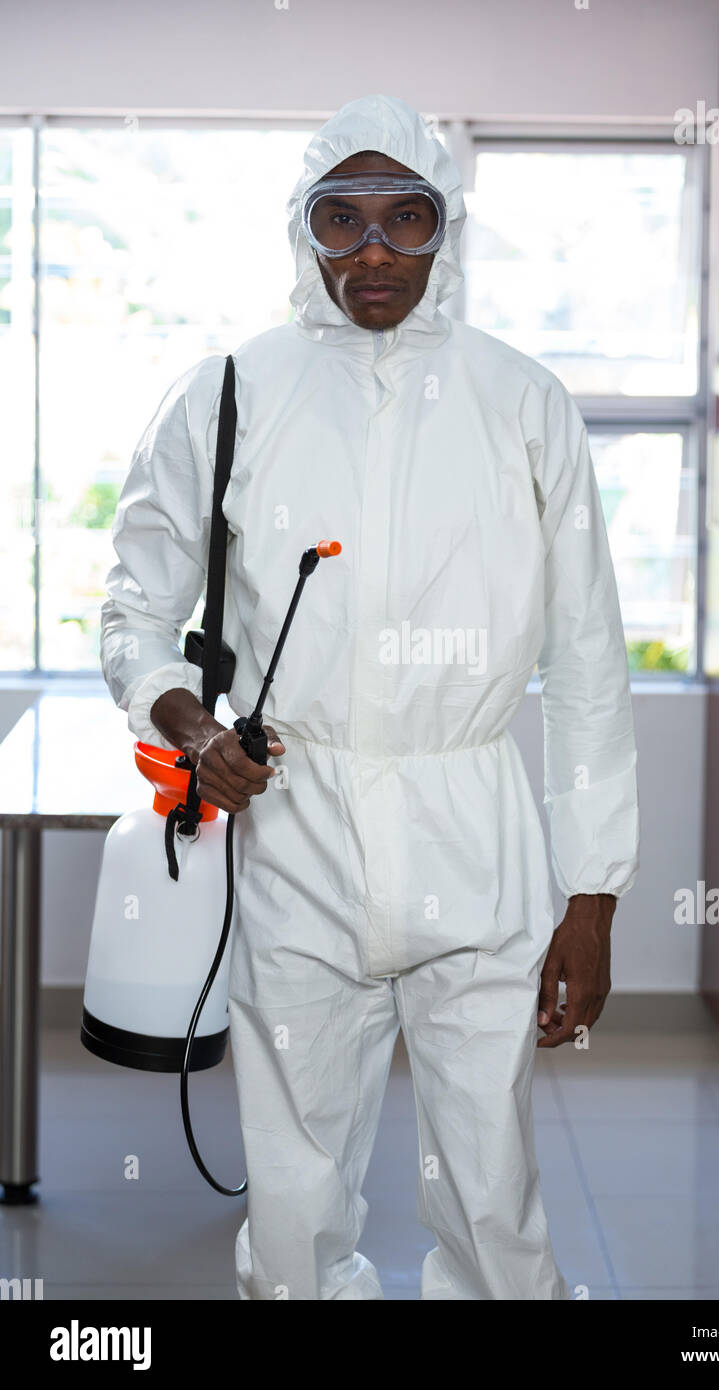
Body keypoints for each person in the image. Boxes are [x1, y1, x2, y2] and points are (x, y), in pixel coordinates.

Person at [101, 93, 639, 1301]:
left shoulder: (521, 401)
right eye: (340, 222)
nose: (374, 252)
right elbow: (134, 609)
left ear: (445, 231)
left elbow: (590, 660)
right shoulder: (229, 392)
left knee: (494, 1197)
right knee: (292, 1205)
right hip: (298, 827)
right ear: (302, 230)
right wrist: (188, 725)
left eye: (405, 219)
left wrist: (594, 888)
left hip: (478, 831)